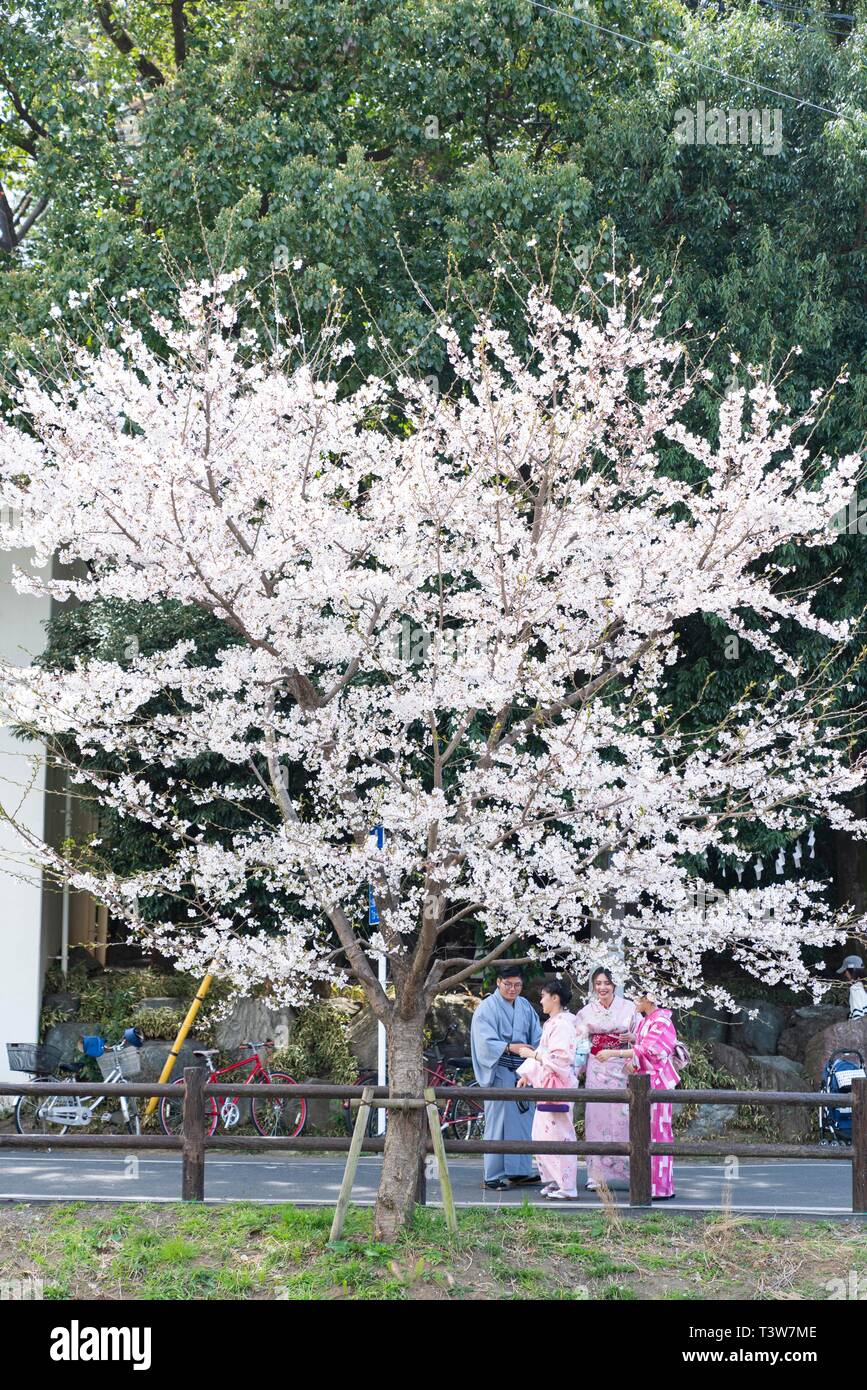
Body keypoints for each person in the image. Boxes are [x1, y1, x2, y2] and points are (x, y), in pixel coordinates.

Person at [596, 990, 680, 1200]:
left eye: (638, 998)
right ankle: (646, 1183)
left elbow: (648, 1051)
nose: (635, 1002)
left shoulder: (661, 1021)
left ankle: (660, 1187)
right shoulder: (647, 1020)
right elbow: (641, 1046)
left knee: (657, 1134)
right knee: (642, 1134)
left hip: (657, 1084)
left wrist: (613, 1053)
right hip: (643, 1084)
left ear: (649, 999)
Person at [470, 963, 543, 1190]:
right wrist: (510, 1047)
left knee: (523, 1121)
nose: (513, 989)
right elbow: (485, 1042)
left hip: (523, 1071)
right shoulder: (487, 1008)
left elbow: (538, 1037)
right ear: (499, 983)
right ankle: (493, 1175)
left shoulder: (524, 1006)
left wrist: (536, 1055)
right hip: (500, 1070)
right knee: (498, 1123)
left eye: (517, 985)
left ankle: (519, 1171)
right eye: (508, 984)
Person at [513, 977, 580, 1200]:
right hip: (548, 1082)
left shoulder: (562, 1024)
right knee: (542, 1134)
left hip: (557, 1084)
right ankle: (555, 1180)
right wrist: (526, 1074)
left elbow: (561, 1059)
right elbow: (546, 1052)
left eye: (543, 996)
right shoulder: (554, 1022)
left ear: (555, 998)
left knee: (560, 1135)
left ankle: (568, 1185)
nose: (540, 1000)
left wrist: (532, 1055)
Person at [575, 967, 640, 1191]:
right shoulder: (585, 1012)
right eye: (599, 983)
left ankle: (626, 1173)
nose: (602, 987)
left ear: (615, 985)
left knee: (623, 1119)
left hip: (622, 1066)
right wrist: (577, 1069)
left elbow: (642, 1035)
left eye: (607, 983)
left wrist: (633, 1037)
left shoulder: (629, 1008)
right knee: (597, 1119)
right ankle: (597, 1175)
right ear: (593, 986)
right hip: (597, 1067)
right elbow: (580, 1045)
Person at [837, 954, 867, 1020]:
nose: (845, 974)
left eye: (845, 971)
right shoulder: (863, 985)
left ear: (852, 970)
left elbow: (857, 1017)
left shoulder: (855, 989)